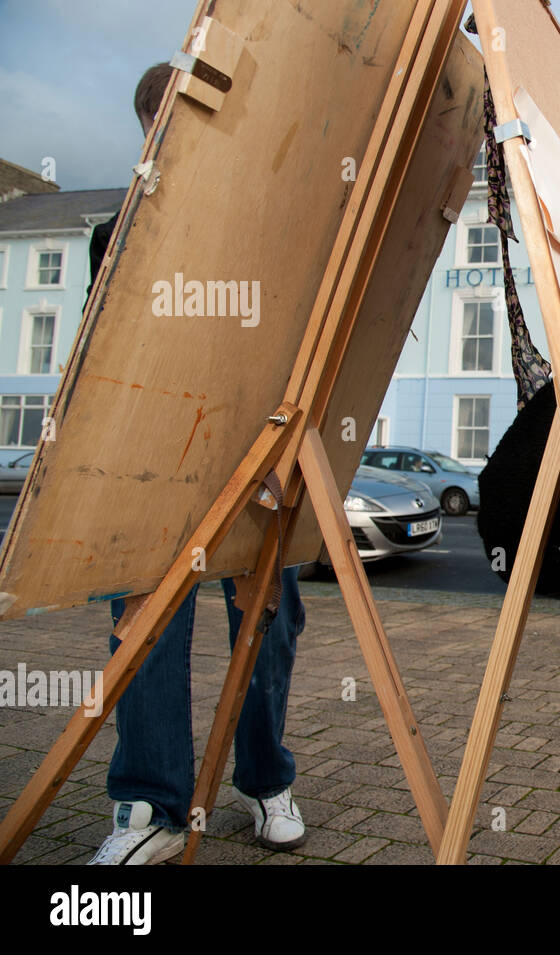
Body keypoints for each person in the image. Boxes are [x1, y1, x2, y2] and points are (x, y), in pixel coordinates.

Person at [87, 63, 307, 865]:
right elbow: (106, 366)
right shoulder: (115, 235)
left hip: (248, 456)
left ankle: (261, 776)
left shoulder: (256, 227)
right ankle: (150, 802)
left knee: (270, 616)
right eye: (164, 123)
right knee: (144, 616)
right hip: (152, 460)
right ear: (151, 130)